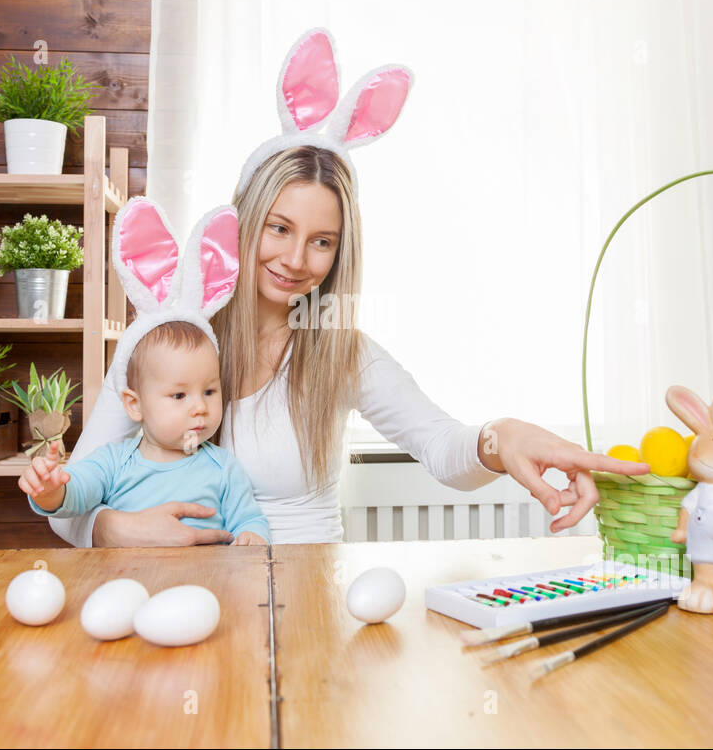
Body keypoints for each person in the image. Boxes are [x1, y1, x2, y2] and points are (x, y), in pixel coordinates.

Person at [40, 28, 649, 548]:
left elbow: (442, 447)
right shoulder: (166, 339)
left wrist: (502, 437)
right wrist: (112, 529)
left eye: (322, 241)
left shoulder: (339, 349)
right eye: (279, 228)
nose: (297, 259)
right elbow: (70, 505)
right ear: (244, 220)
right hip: (189, 602)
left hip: (307, 601)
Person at [19, 321, 269, 546]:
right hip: (129, 582)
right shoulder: (113, 462)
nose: (200, 408)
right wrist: (50, 491)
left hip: (204, 586)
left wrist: (252, 536)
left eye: (209, 391)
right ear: (135, 405)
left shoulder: (224, 467)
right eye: (179, 395)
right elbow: (76, 493)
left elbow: (249, 519)